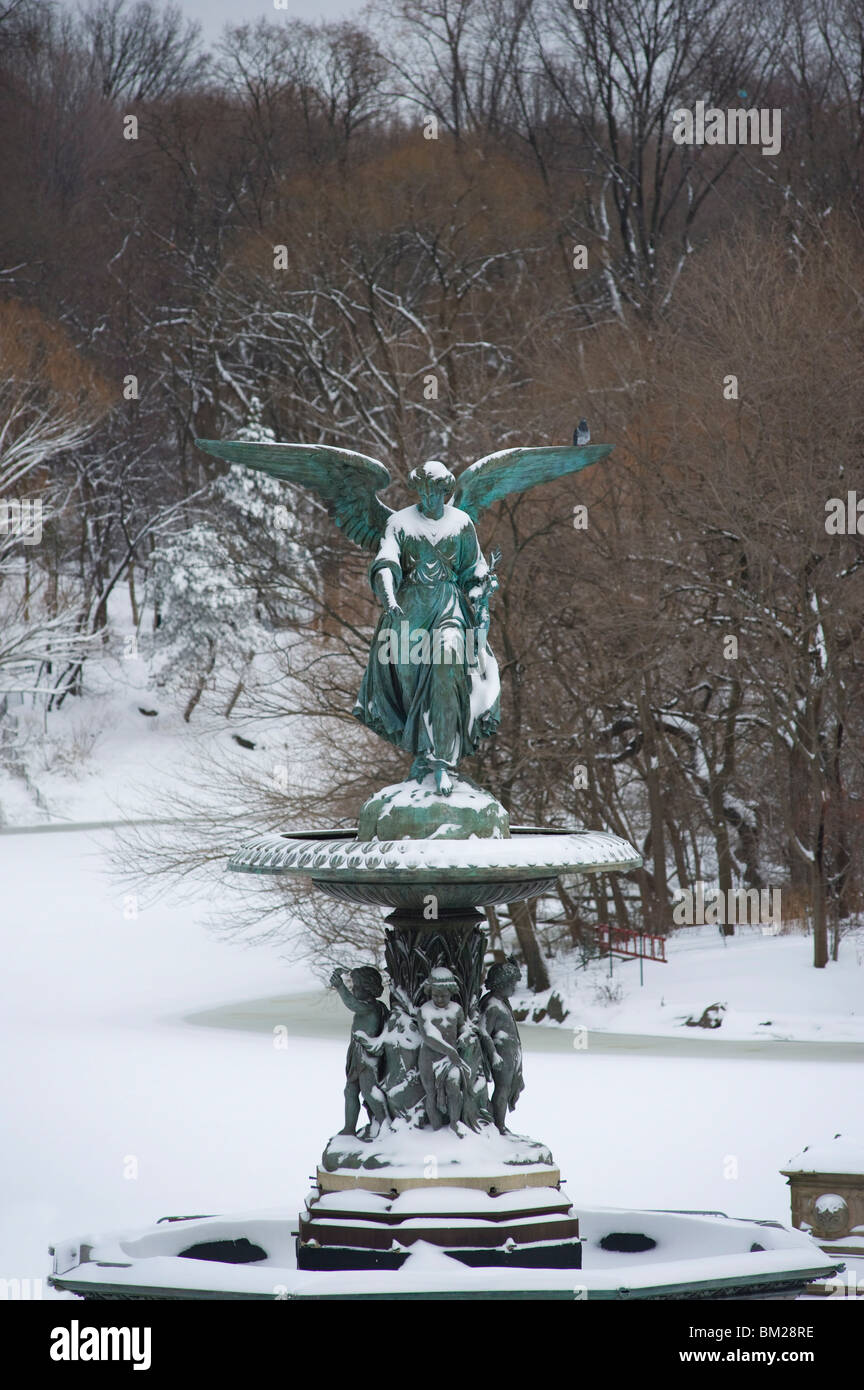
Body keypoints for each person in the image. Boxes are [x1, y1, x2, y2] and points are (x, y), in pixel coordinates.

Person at [353, 461, 500, 795]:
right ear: (418, 490)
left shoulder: (461, 523)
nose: (432, 499)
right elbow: (386, 561)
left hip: (449, 607)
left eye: (438, 493)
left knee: (447, 662)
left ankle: (442, 761)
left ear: (446, 492)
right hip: (408, 609)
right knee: (410, 682)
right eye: (426, 492)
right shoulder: (399, 523)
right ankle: (422, 755)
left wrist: (482, 584)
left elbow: (472, 569)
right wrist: (389, 596)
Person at [329, 966, 388, 1137]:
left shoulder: (370, 1007)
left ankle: (385, 1124)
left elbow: (352, 1004)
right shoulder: (367, 1006)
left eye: (356, 987)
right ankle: (349, 1128)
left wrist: (340, 986)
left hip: (367, 1057)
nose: (353, 990)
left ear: (367, 988)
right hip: (356, 1054)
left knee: (370, 1092)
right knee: (350, 1091)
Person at [479, 959, 525, 1134]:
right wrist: (493, 1055)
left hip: (510, 1053)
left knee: (507, 1088)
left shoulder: (502, 1001)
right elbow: (483, 1031)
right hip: (501, 1054)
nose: (514, 987)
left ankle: (500, 1123)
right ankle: (499, 1125)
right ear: (501, 983)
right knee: (502, 1089)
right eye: (512, 983)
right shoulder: (492, 1005)